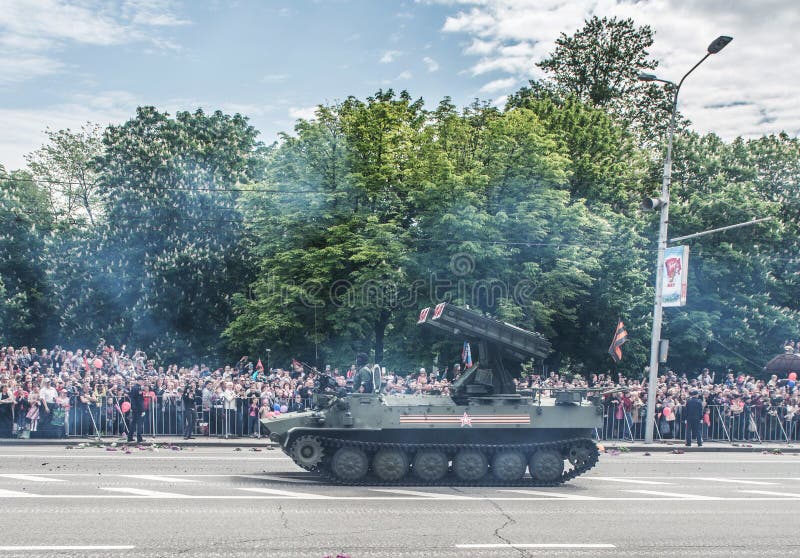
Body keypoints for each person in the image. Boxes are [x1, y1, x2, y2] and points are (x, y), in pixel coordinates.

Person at [128, 376, 145, 443]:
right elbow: (139, 400)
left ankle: (130, 437)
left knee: (133, 423)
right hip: (138, 408)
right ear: (138, 381)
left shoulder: (134, 387)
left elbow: (131, 395)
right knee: (139, 423)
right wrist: (142, 409)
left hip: (134, 408)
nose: (142, 382)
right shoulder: (138, 388)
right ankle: (139, 438)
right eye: (141, 381)